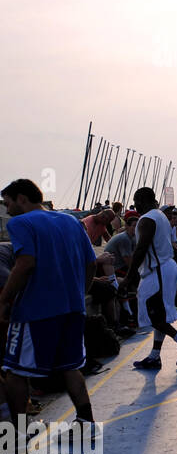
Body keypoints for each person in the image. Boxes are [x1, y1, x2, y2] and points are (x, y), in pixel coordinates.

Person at [0, 178, 99, 430]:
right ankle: (85, 421)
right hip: (73, 308)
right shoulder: (71, 221)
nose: (7, 209)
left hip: (35, 311)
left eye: (8, 202)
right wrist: (80, 292)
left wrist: (4, 300)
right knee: (70, 367)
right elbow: (91, 263)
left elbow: (25, 264)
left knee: (15, 370)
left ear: (21, 198)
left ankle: (19, 432)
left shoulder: (20, 223)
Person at [124, 187, 177, 370]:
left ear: (143, 200)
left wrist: (128, 278)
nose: (136, 205)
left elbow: (141, 250)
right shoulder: (160, 215)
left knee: (153, 314)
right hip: (165, 267)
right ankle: (155, 356)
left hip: (157, 270)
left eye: (137, 201)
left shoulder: (147, 219)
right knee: (159, 313)